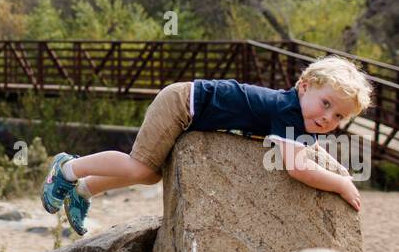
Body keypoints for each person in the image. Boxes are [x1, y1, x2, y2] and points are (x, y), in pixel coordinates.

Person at [40, 54, 373, 234]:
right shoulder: (288, 109)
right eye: (326, 103)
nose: (328, 118)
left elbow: (307, 149)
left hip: (188, 108)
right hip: (182, 103)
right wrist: (341, 183)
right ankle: (67, 169)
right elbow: (297, 166)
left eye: (339, 116)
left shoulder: (303, 119)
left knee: (151, 175)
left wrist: (337, 166)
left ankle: (84, 191)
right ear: (303, 87)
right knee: (138, 165)